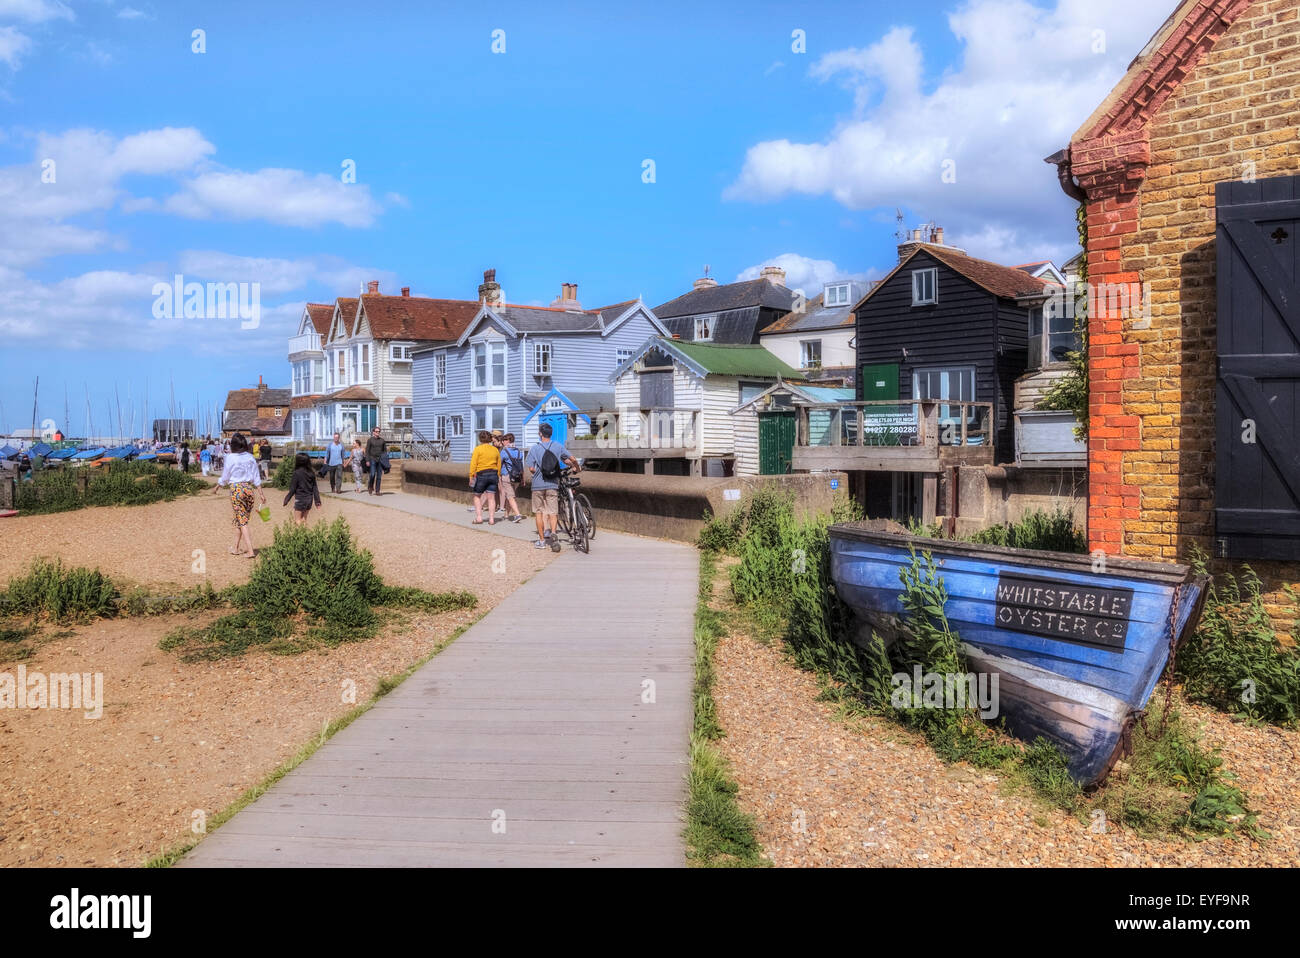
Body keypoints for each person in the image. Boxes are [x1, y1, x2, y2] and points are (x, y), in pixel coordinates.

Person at [525, 421, 580, 552]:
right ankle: (554, 532)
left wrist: (537, 470)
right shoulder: (557, 446)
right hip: (553, 483)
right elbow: (571, 458)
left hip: (538, 484)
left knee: (539, 512)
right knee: (553, 512)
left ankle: (542, 540)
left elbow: (531, 468)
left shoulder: (535, 448)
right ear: (551, 434)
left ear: (540, 434)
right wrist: (577, 467)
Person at [214, 432, 266, 558]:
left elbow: (225, 476)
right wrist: (261, 493)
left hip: (237, 490)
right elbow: (256, 477)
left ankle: (250, 551)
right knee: (240, 519)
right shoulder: (250, 457)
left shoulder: (231, 457)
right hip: (249, 489)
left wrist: (217, 486)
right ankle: (235, 548)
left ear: (233, 445)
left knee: (242, 522)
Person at [468, 430, 500, 525]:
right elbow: (499, 464)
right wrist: (497, 475)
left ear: (480, 439)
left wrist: (471, 475)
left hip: (482, 474)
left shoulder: (478, 449)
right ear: (490, 439)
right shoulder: (495, 449)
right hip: (493, 474)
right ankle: (491, 519)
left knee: (477, 496)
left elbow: (473, 464)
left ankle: (479, 517)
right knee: (491, 498)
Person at [283, 452, 322, 525]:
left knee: (297, 520)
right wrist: (317, 501)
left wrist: (287, 499)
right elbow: (315, 488)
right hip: (309, 499)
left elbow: (293, 489)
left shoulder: (297, 473)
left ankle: (300, 536)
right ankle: (305, 534)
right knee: (304, 519)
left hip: (300, 499)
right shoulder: (311, 473)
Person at [496, 433, 525, 523]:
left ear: (508, 441)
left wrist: (497, 474)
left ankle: (517, 514)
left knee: (510, 496)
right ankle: (506, 514)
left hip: (507, 476)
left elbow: (499, 464)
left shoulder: (504, 452)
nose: (502, 442)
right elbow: (521, 466)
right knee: (510, 495)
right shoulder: (518, 452)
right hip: (517, 477)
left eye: (503, 441)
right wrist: (523, 479)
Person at [364, 426, 388, 495]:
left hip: (380, 460)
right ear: (373, 432)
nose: (378, 433)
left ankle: (377, 491)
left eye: (379, 432)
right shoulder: (370, 440)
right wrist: (367, 460)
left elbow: (384, 451)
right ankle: (370, 486)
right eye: (376, 431)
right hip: (372, 459)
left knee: (379, 476)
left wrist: (385, 461)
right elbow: (367, 451)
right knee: (372, 474)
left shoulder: (382, 441)